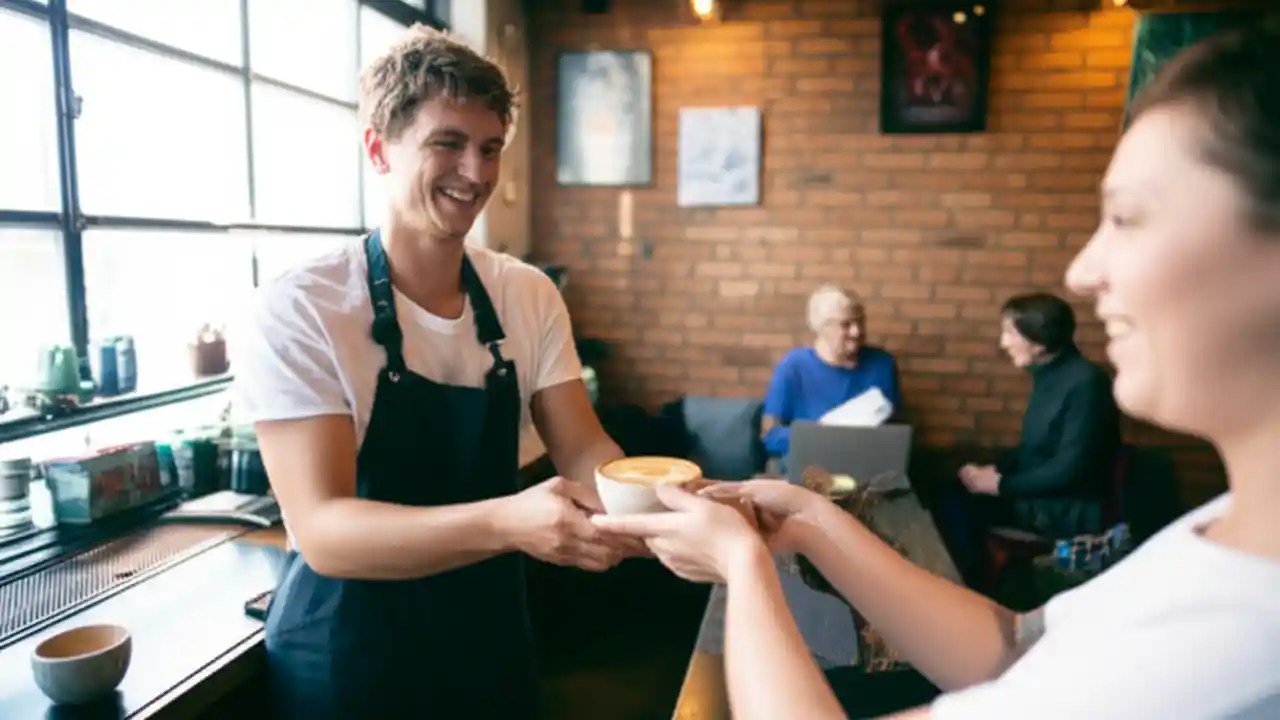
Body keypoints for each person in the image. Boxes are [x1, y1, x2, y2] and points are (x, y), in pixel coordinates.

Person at [593, 23, 1280, 719]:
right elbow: (1015, 649)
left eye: (1128, 218)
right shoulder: (1222, 533)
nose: (1082, 271)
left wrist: (745, 568)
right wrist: (805, 522)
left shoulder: (1243, 652)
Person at [235, 26, 637, 719]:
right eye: (447, 143)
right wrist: (512, 523)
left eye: (490, 149)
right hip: (348, 655)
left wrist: (663, 501)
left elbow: (585, 450)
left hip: (487, 639)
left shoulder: (526, 294)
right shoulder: (302, 308)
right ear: (377, 149)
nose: (476, 173)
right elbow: (324, 531)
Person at [942, 292, 1121, 580]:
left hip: (1067, 509)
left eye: (1010, 334)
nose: (1003, 343)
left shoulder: (1087, 384)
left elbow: (1070, 469)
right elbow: (1036, 449)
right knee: (951, 483)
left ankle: (972, 587)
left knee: (953, 502)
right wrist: (996, 469)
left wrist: (1001, 484)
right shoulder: (1053, 374)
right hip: (1044, 494)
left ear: (1038, 342)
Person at [762, 284, 901, 463]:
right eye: (846, 324)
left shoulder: (882, 364)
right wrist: (819, 437)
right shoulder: (793, 366)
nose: (857, 331)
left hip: (866, 463)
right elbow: (770, 434)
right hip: (809, 463)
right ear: (820, 327)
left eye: (860, 321)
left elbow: (891, 430)